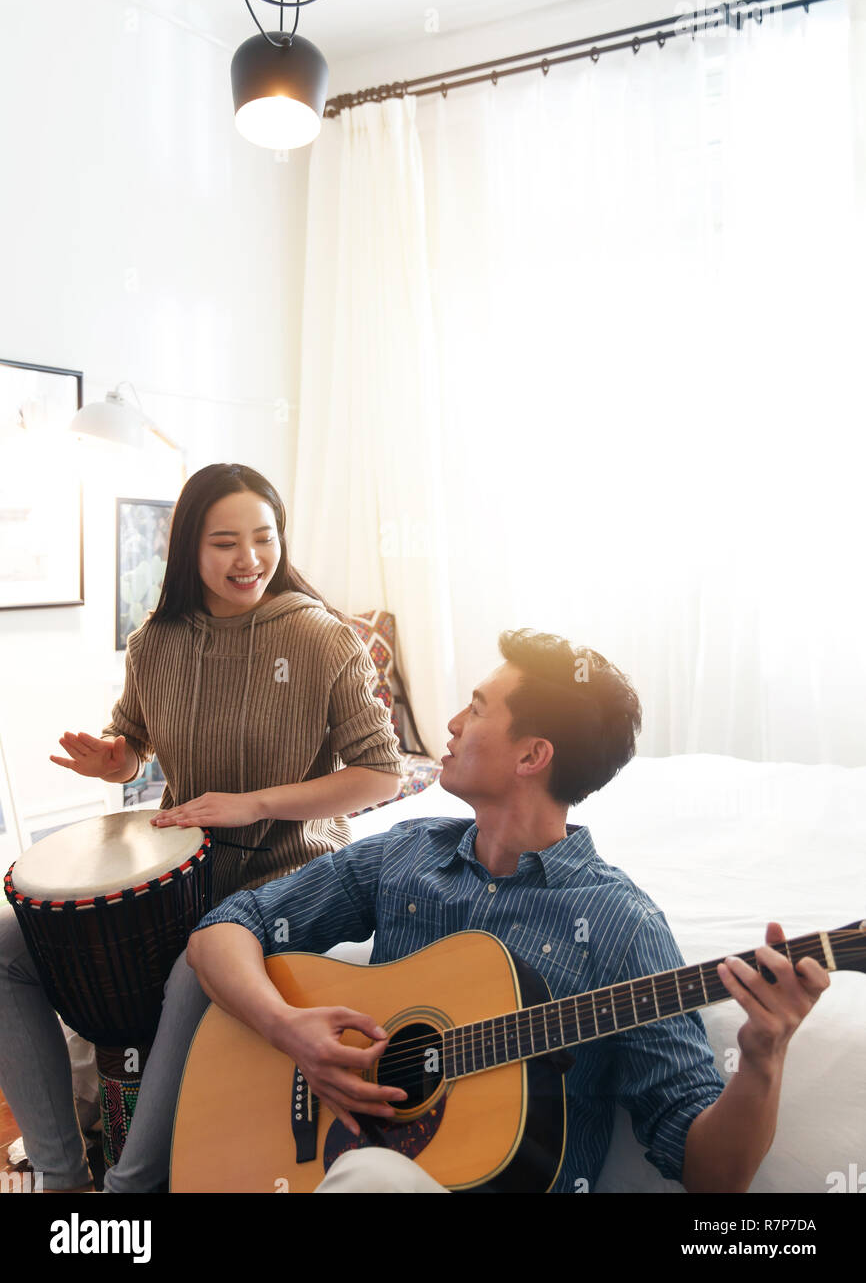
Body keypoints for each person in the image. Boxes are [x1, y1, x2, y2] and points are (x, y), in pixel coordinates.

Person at [187, 629, 830, 1193]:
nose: (452, 726)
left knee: (373, 1180)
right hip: (349, 1166)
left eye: (476, 709)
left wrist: (762, 1059)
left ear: (531, 756)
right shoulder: (407, 853)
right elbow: (224, 929)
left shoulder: (620, 926)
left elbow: (713, 1178)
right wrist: (285, 1028)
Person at [0, 463, 403, 1193]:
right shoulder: (154, 640)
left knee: (199, 961)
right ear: (187, 549)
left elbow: (382, 774)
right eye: (225, 543)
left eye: (263, 537)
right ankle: (61, 1178)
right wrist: (113, 763)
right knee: (3, 941)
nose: (248, 559)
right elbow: (134, 743)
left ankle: (131, 1189)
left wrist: (254, 803)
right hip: (183, 870)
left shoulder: (320, 637)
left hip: (292, 867)